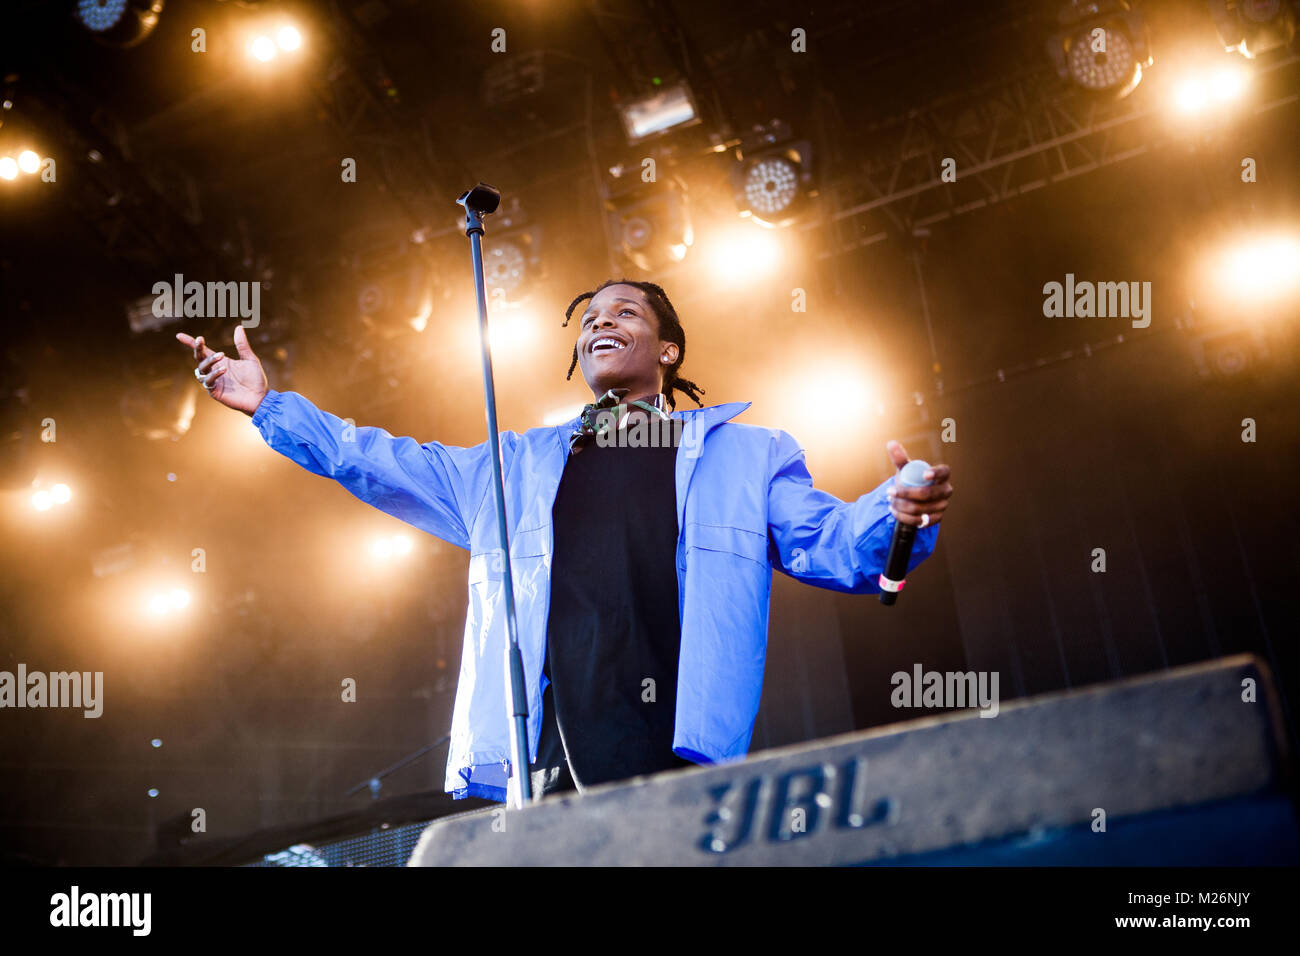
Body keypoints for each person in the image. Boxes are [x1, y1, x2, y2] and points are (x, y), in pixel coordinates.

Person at [177, 278, 954, 804]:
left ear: (668, 351)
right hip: (549, 747)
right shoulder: (511, 466)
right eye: (589, 322)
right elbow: (376, 460)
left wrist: (899, 510)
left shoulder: (745, 457)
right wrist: (271, 408)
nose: (599, 326)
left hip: (676, 747)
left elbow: (835, 543)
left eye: (623, 316)